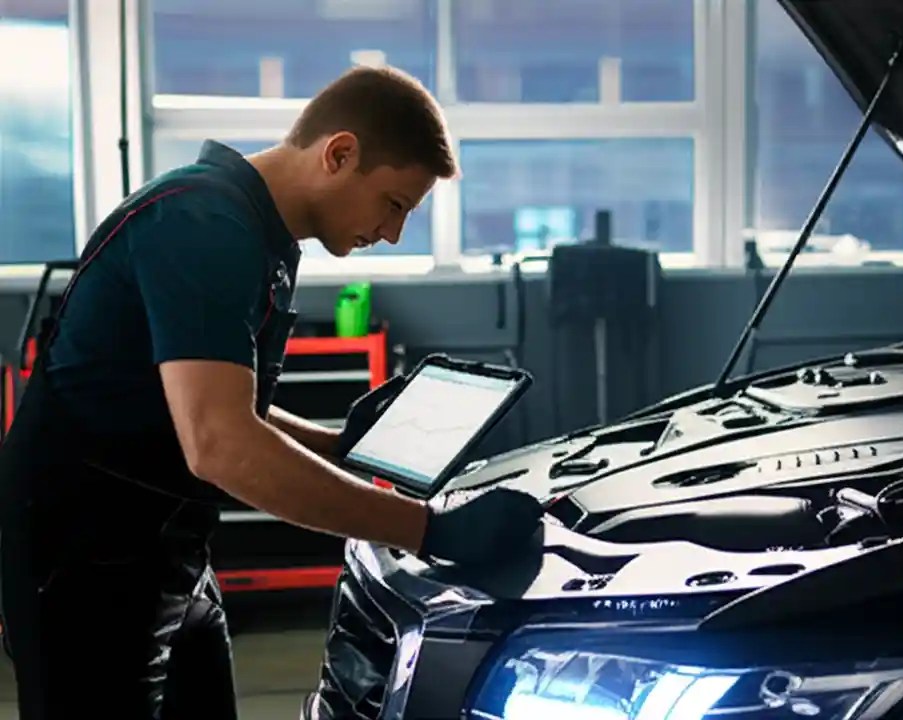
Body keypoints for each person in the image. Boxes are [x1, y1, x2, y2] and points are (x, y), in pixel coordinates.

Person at [0, 65, 543, 719]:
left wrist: (337, 446)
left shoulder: (262, 236)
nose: (393, 232)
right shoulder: (202, 223)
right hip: (82, 564)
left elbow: (225, 403)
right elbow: (220, 446)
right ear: (339, 154)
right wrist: (426, 531)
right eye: (394, 204)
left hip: (169, 550)